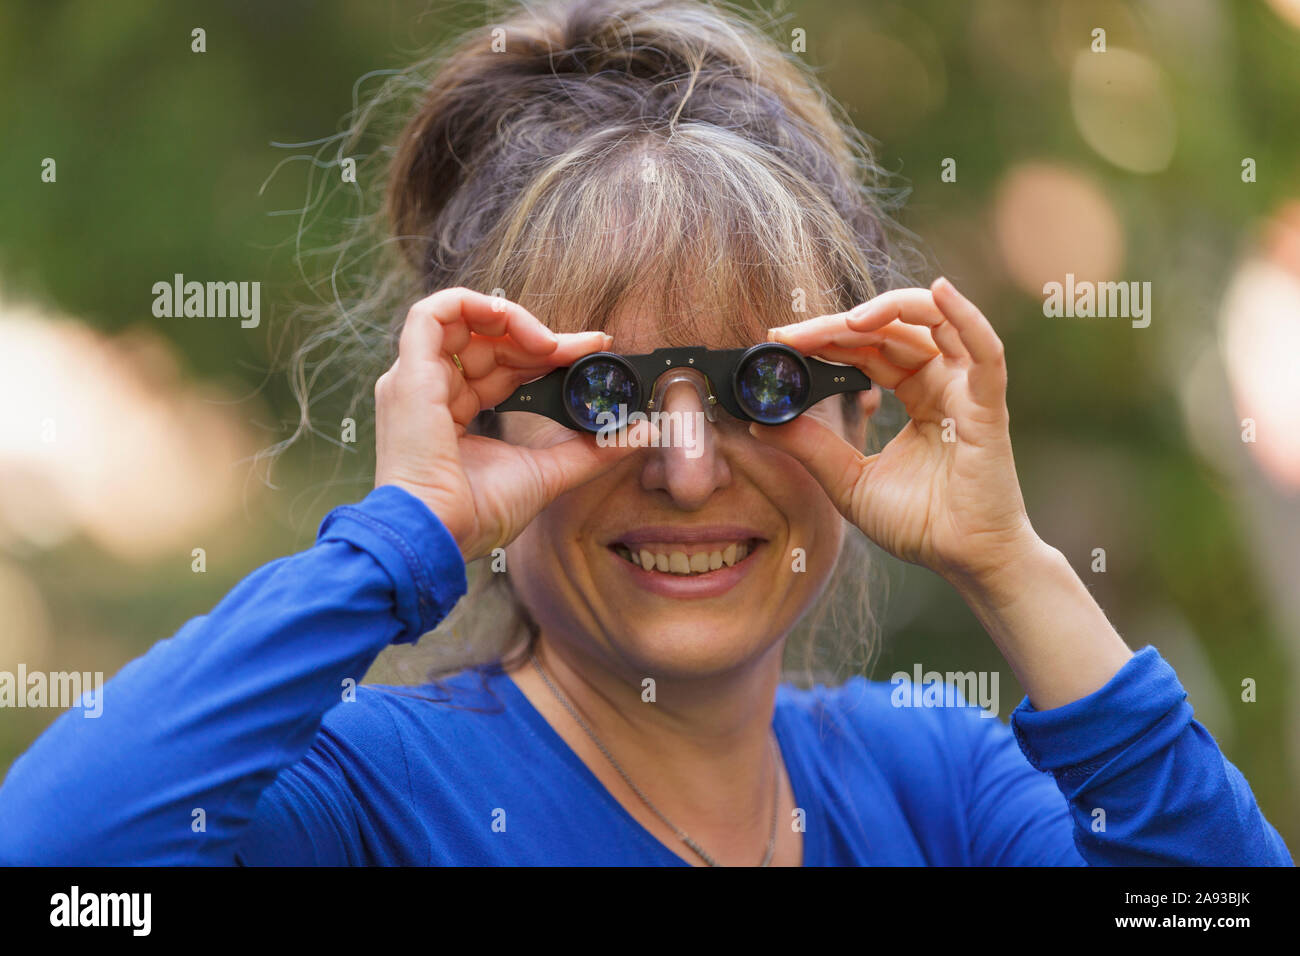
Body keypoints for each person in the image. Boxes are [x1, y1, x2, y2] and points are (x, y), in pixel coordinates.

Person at [0, 0, 1291, 866]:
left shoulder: (936, 789)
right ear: (480, 431)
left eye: (761, 385)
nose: (684, 467)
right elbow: (56, 861)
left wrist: (1011, 565)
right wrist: (398, 542)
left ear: (862, 400)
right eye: (604, 397)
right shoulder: (372, 797)